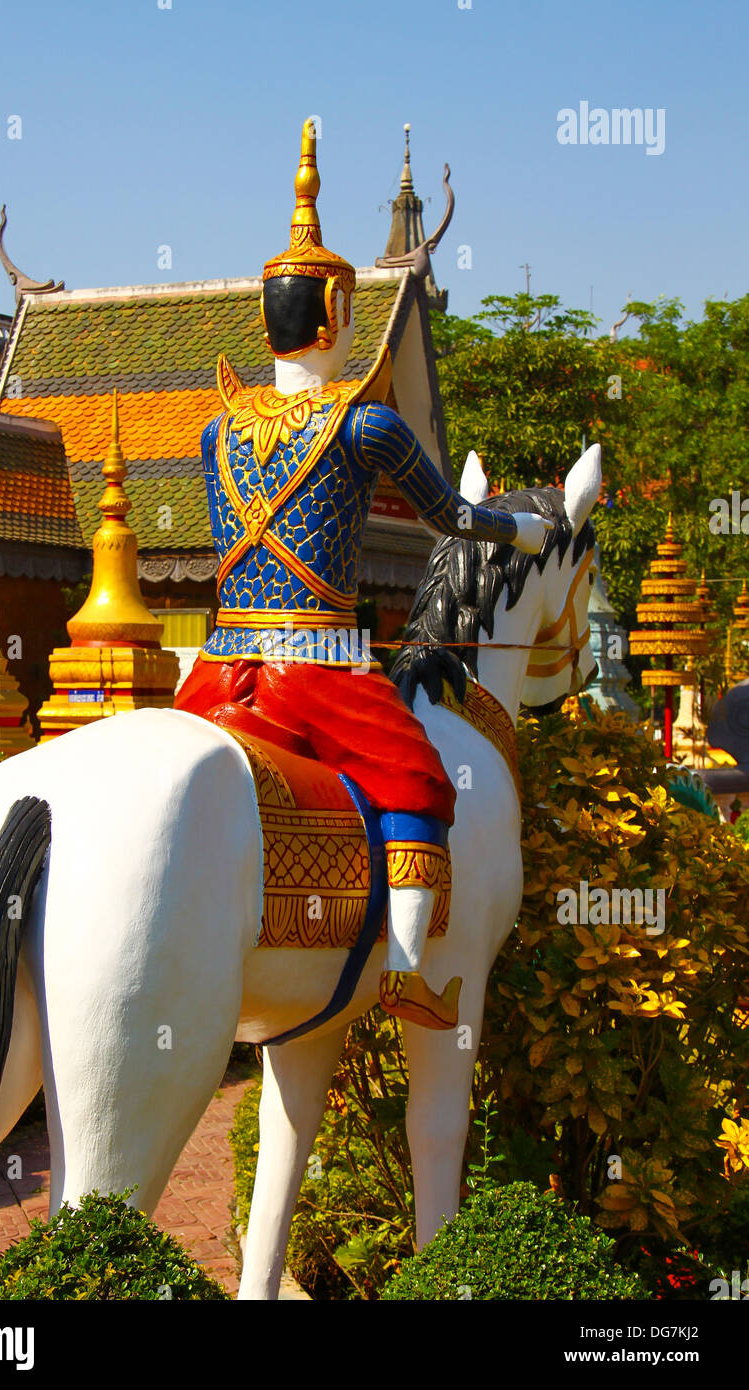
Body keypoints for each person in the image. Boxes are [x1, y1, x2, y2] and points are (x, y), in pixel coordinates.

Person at [176, 120, 550, 1028]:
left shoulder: (217, 431)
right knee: (418, 776)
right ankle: (410, 972)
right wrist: (522, 532)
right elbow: (450, 518)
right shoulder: (364, 423)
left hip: (217, 671)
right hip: (318, 670)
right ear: (337, 314)